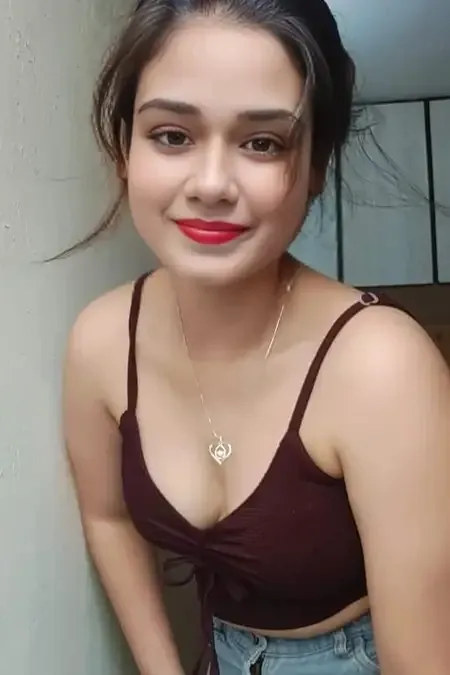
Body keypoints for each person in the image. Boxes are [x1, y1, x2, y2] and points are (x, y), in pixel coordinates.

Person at [63, 1, 450, 674]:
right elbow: (108, 517)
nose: (212, 185)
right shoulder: (100, 341)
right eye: (172, 135)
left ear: (317, 166)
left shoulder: (381, 364)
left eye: (263, 143)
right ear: (124, 149)